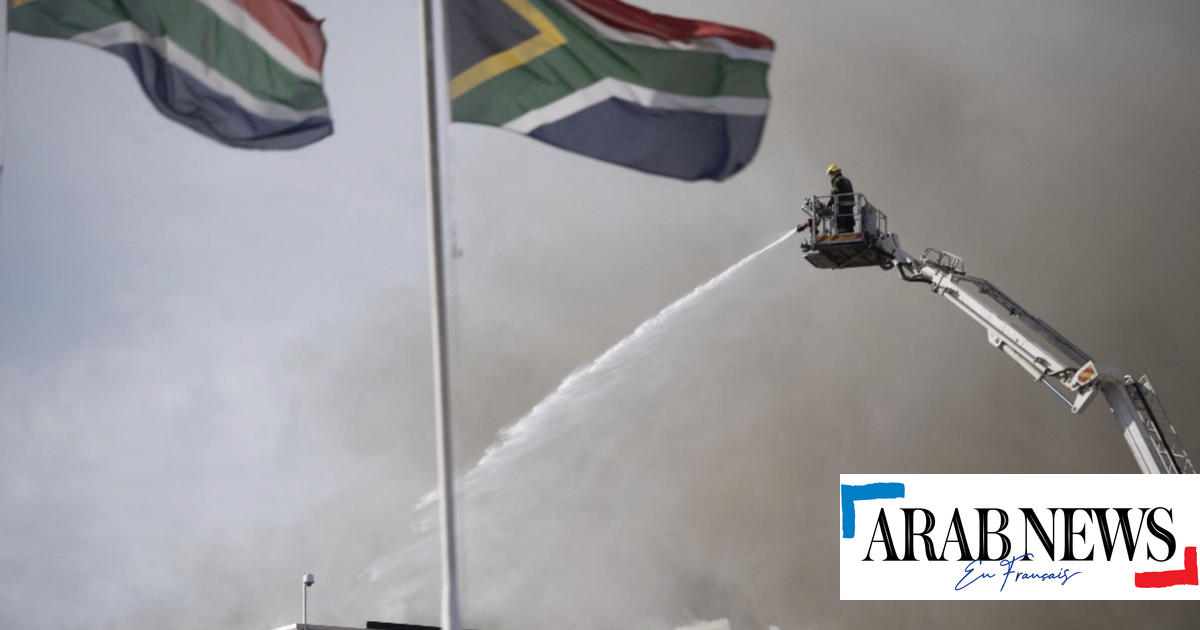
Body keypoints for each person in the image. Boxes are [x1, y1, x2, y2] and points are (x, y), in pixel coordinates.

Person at [827, 164, 856, 233]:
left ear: (833, 172)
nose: (831, 175)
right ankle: (850, 232)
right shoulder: (847, 180)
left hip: (842, 205)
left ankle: (841, 234)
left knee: (841, 223)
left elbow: (834, 192)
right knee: (849, 223)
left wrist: (830, 202)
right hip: (850, 205)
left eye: (831, 173)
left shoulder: (836, 180)